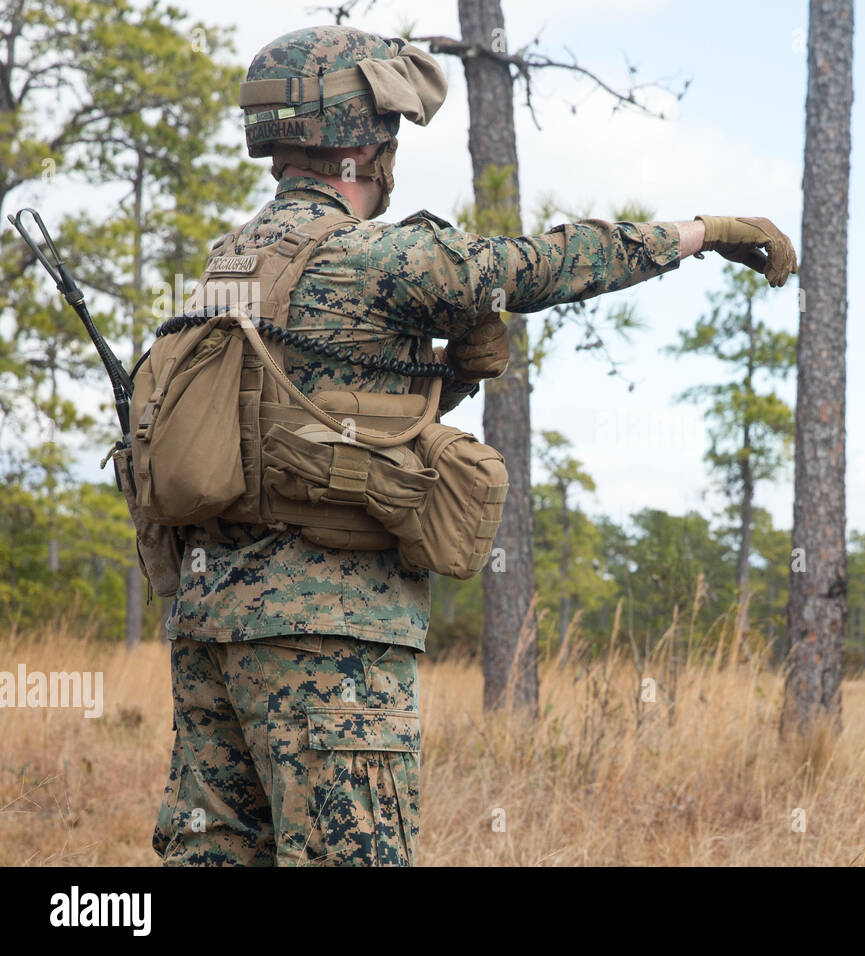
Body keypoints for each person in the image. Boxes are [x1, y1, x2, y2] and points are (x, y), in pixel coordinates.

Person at [151, 24, 797, 866]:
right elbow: (536, 268)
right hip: (330, 636)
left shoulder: (229, 262)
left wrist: (444, 379)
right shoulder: (377, 255)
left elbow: (293, 418)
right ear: (370, 138)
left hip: (208, 628)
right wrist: (701, 232)